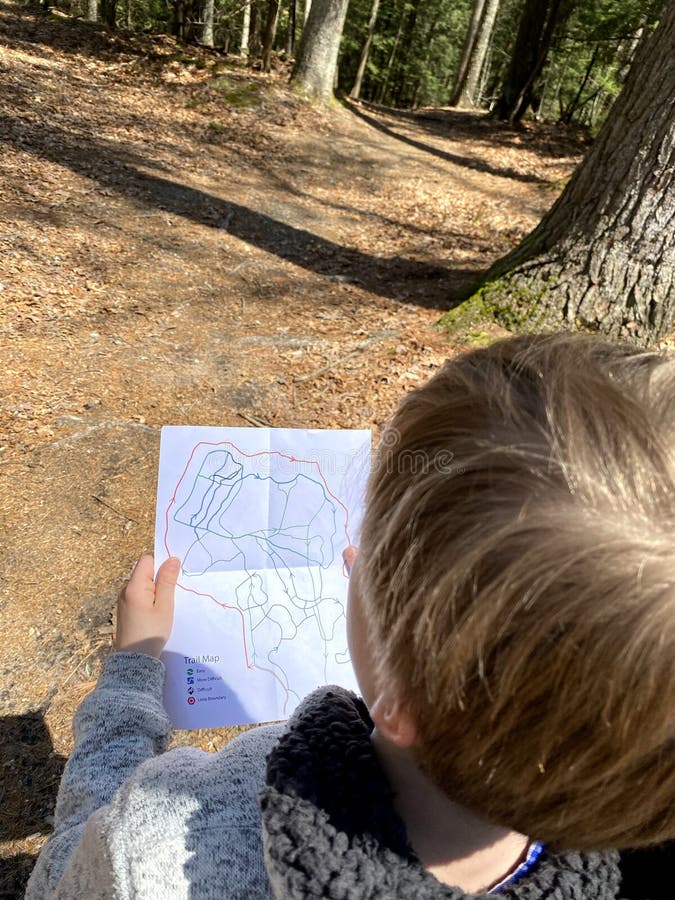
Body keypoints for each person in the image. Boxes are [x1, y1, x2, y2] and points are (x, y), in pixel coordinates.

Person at [26, 333, 675, 899]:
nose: (349, 552)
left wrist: (132, 677)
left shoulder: (172, 836)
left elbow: (67, 872)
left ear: (399, 701)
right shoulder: (618, 814)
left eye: (372, 564)